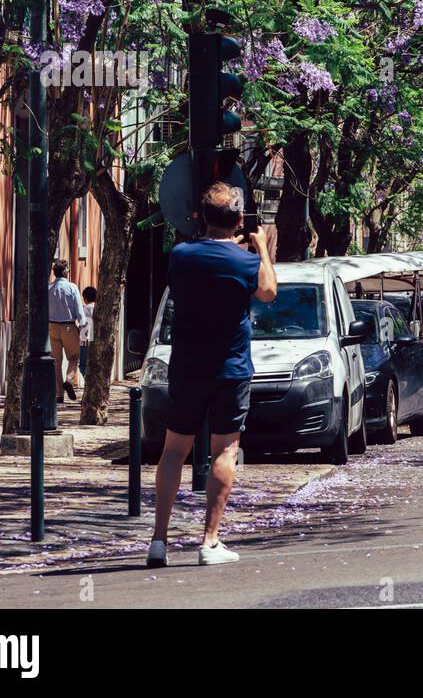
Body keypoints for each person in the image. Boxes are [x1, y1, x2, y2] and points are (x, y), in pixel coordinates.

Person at [148, 182, 277, 569]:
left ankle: (158, 541)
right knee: (224, 449)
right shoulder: (244, 262)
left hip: (187, 366)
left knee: (173, 450)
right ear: (239, 219)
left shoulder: (181, 255)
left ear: (201, 217)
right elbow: (268, 292)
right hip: (230, 368)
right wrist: (261, 249)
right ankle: (209, 541)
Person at [48, 259, 85, 402]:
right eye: (68, 269)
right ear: (65, 272)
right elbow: (79, 311)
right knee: (74, 357)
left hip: (52, 327)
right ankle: (69, 380)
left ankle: (59, 395)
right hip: (68, 326)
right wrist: (83, 327)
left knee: (56, 362)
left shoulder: (49, 288)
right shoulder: (72, 287)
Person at [79, 286, 96, 381]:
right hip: (96, 340)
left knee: (83, 365)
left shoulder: (85, 309)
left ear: (85, 298)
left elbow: (84, 325)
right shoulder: (98, 308)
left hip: (86, 340)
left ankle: (88, 382)